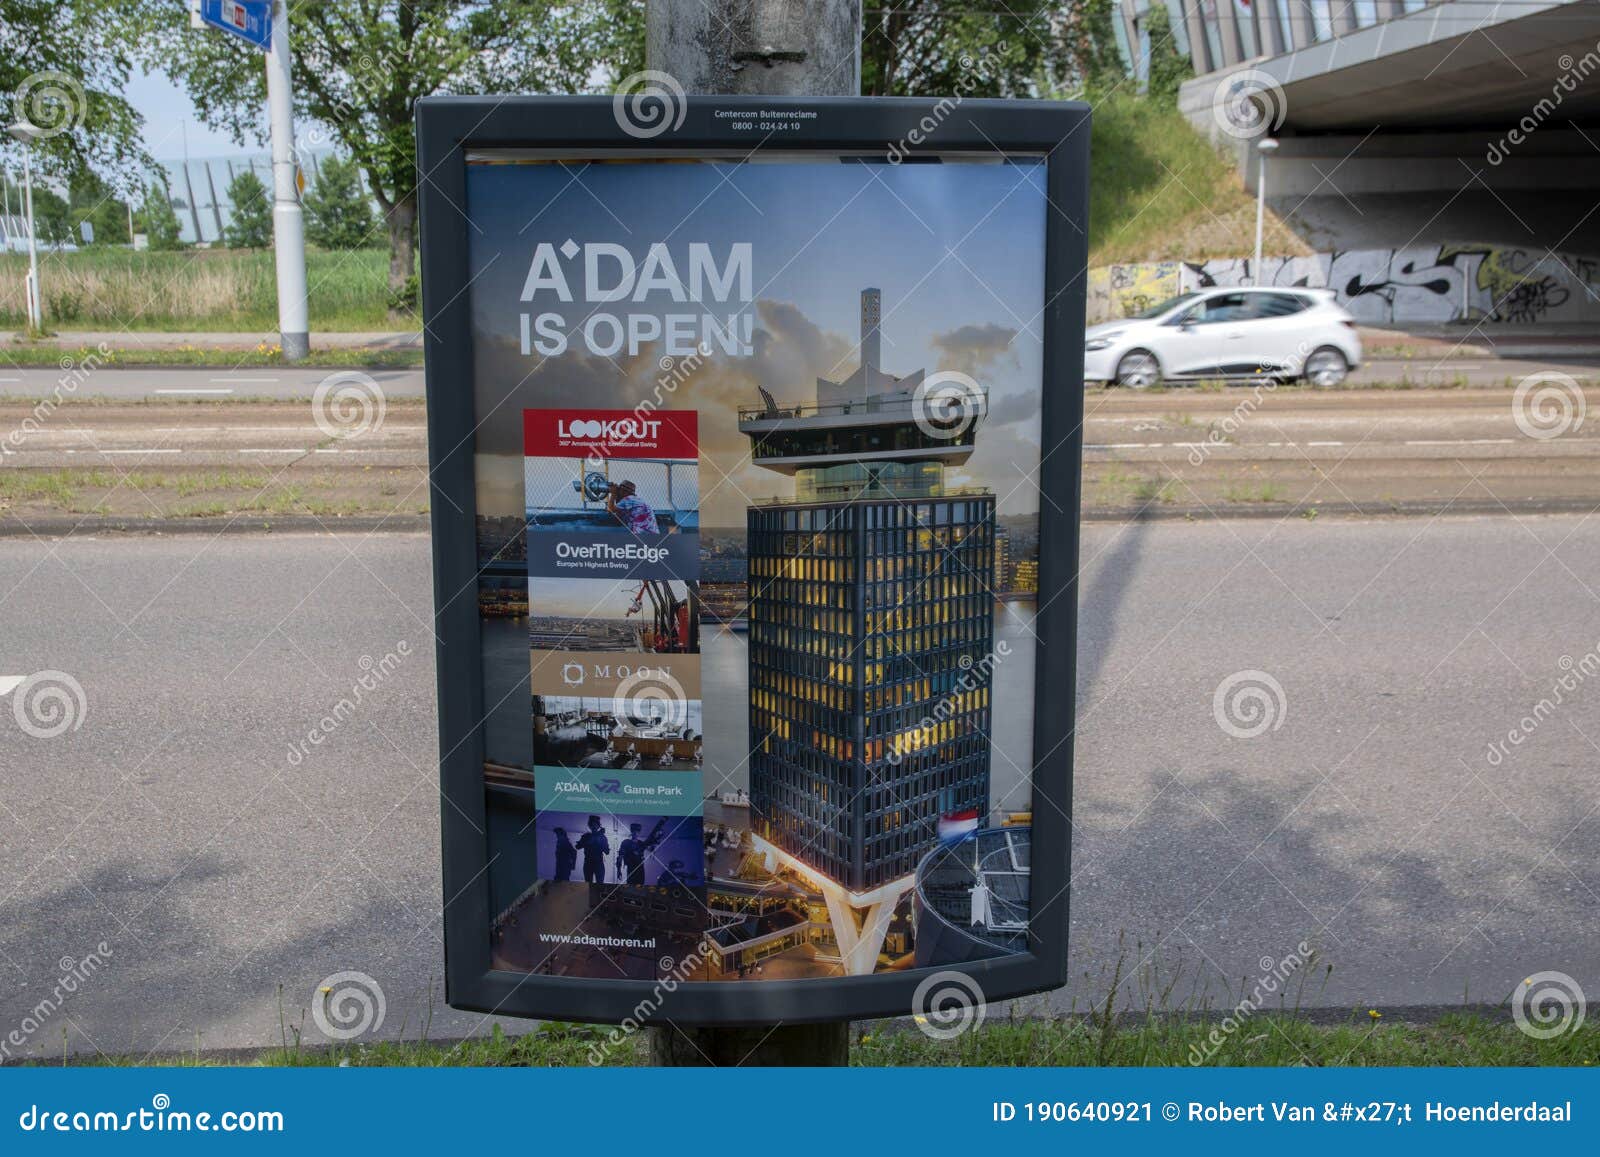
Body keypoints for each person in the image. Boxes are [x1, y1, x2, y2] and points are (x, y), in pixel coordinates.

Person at [617, 819, 665, 885]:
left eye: (637, 831)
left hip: (640, 868)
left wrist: (657, 839)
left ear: (639, 832)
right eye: (634, 831)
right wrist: (618, 870)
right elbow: (620, 856)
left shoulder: (641, 843)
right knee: (631, 887)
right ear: (631, 831)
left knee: (640, 887)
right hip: (631, 868)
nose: (635, 833)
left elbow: (651, 849)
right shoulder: (626, 843)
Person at [576, 815, 609, 884]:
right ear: (590, 826)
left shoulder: (602, 837)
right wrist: (589, 841)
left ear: (598, 826)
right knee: (588, 884)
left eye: (595, 825)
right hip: (588, 863)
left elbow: (607, 851)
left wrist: (600, 842)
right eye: (592, 825)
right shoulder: (586, 836)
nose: (594, 826)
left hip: (598, 863)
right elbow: (578, 846)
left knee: (600, 884)